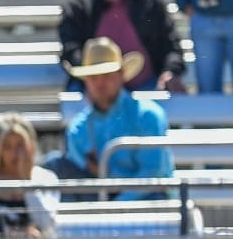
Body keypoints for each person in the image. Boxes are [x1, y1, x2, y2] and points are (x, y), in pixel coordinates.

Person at [52, 37, 174, 201]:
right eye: (94, 77)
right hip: (101, 203)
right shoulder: (77, 129)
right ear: (86, 81)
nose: (100, 82)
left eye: (107, 75)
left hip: (151, 202)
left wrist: (116, 203)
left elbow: (153, 174)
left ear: (121, 75)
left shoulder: (148, 116)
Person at [59, 0, 186, 93]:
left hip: (147, 88)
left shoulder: (149, 1)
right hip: (95, 90)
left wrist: (170, 72)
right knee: (74, 95)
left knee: (174, 93)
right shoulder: (77, 8)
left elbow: (171, 45)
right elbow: (71, 51)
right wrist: (98, 78)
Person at [0, 113, 60, 238]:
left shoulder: (46, 178)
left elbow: (46, 225)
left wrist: (26, 180)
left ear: (31, 145)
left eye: (20, 145)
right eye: (7, 146)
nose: (15, 153)